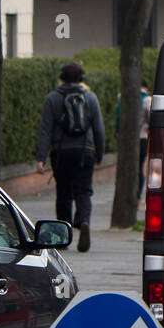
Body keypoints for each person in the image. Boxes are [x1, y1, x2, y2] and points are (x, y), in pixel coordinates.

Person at [36, 61, 105, 252]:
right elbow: (99, 129)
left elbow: (45, 130)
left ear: (62, 78)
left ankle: (62, 236)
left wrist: (41, 157)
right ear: (81, 79)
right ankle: (83, 222)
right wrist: (100, 154)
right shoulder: (90, 98)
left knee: (63, 193)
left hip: (61, 152)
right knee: (84, 192)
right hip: (85, 151)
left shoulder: (52, 99)